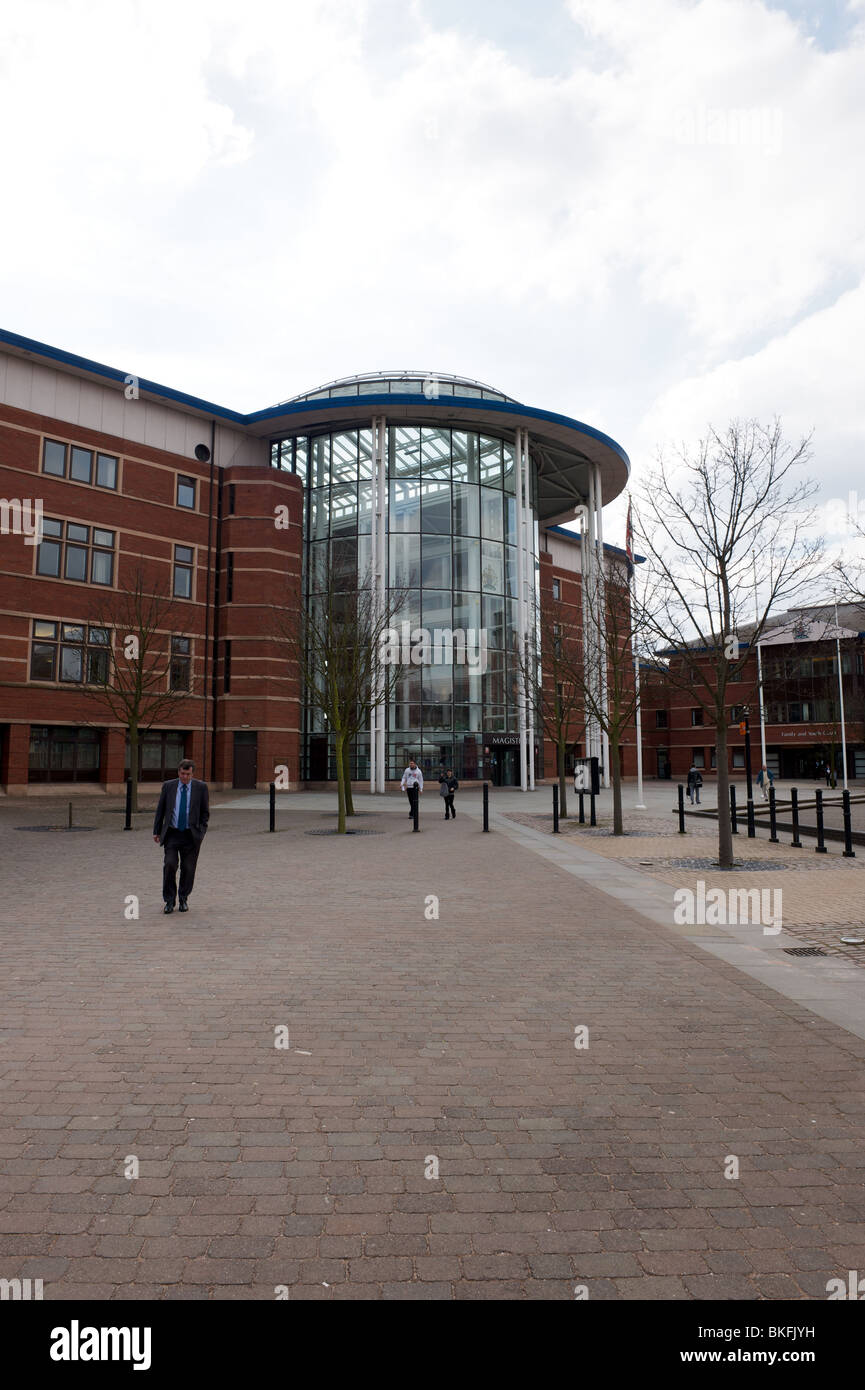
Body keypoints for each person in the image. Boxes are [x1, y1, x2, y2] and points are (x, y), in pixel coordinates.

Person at [153, 759, 209, 914]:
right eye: (182, 774)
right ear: (178, 772)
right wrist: (156, 830)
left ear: (192, 774)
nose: (185, 777)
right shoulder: (169, 786)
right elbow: (161, 809)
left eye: (188, 774)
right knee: (170, 865)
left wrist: (201, 831)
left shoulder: (201, 788)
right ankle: (169, 901)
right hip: (172, 833)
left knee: (188, 868)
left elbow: (205, 813)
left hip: (191, 835)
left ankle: (183, 898)